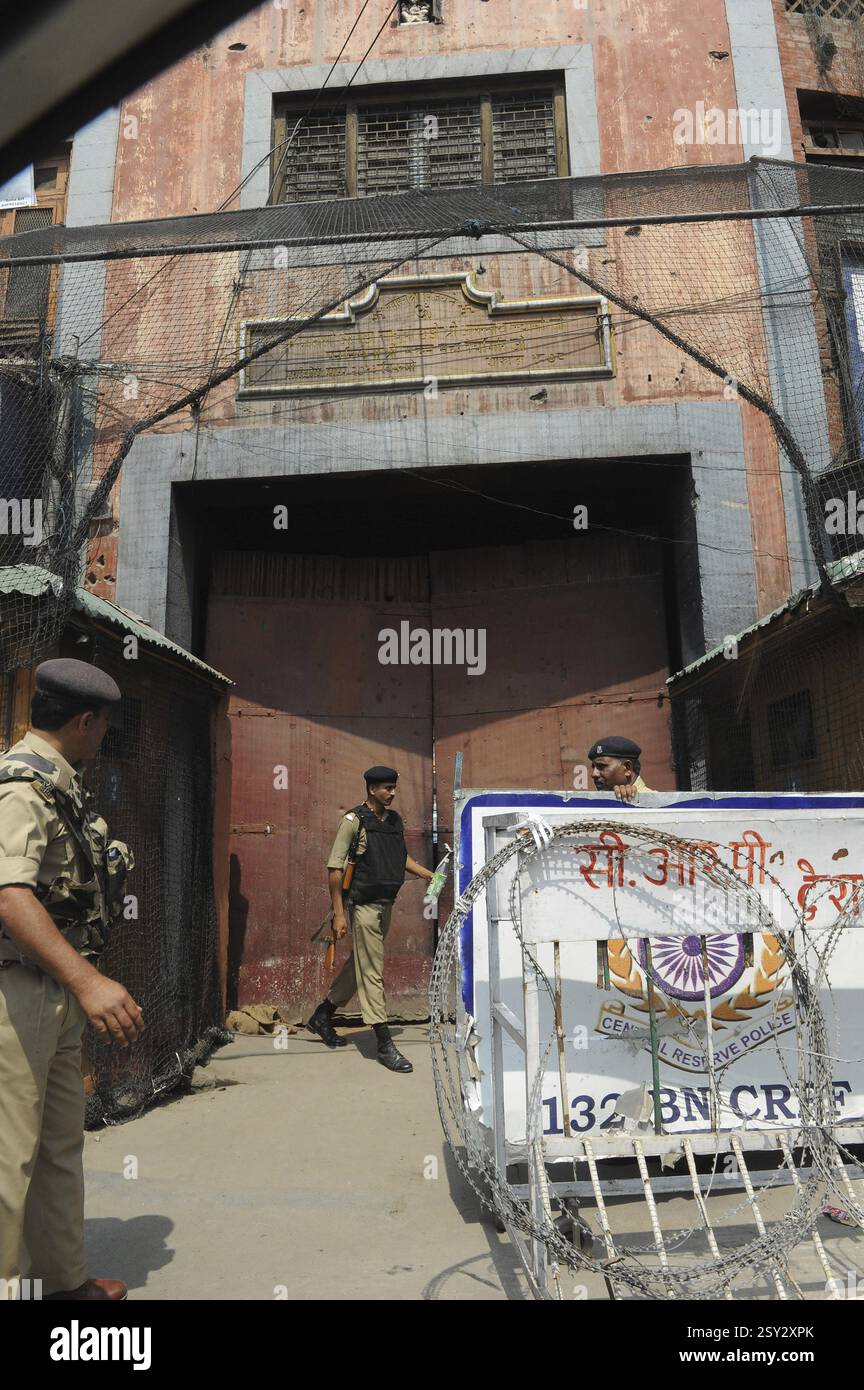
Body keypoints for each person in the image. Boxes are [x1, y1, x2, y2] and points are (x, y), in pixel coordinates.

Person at [0, 659, 141, 1302]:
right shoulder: (20, 787)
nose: (103, 737)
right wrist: (88, 983)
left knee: (58, 1146)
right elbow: (8, 896)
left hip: (50, 989)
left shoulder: (61, 786)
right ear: (85, 722)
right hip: (17, 991)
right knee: (9, 1159)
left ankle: (59, 1286)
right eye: (103, 726)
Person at [307, 765, 434, 1073]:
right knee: (373, 970)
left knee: (360, 964)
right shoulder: (353, 821)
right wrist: (339, 914)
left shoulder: (393, 821)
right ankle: (384, 1044)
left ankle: (322, 1015)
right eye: (387, 788)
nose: (392, 793)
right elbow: (334, 869)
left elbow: (398, 858)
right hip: (362, 905)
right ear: (371, 790)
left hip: (385, 903)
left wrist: (428, 874)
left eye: (394, 788)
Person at [588, 735, 654, 802]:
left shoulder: (655, 804)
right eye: (593, 767)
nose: (594, 774)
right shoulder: (598, 803)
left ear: (628, 768)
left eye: (602, 766)